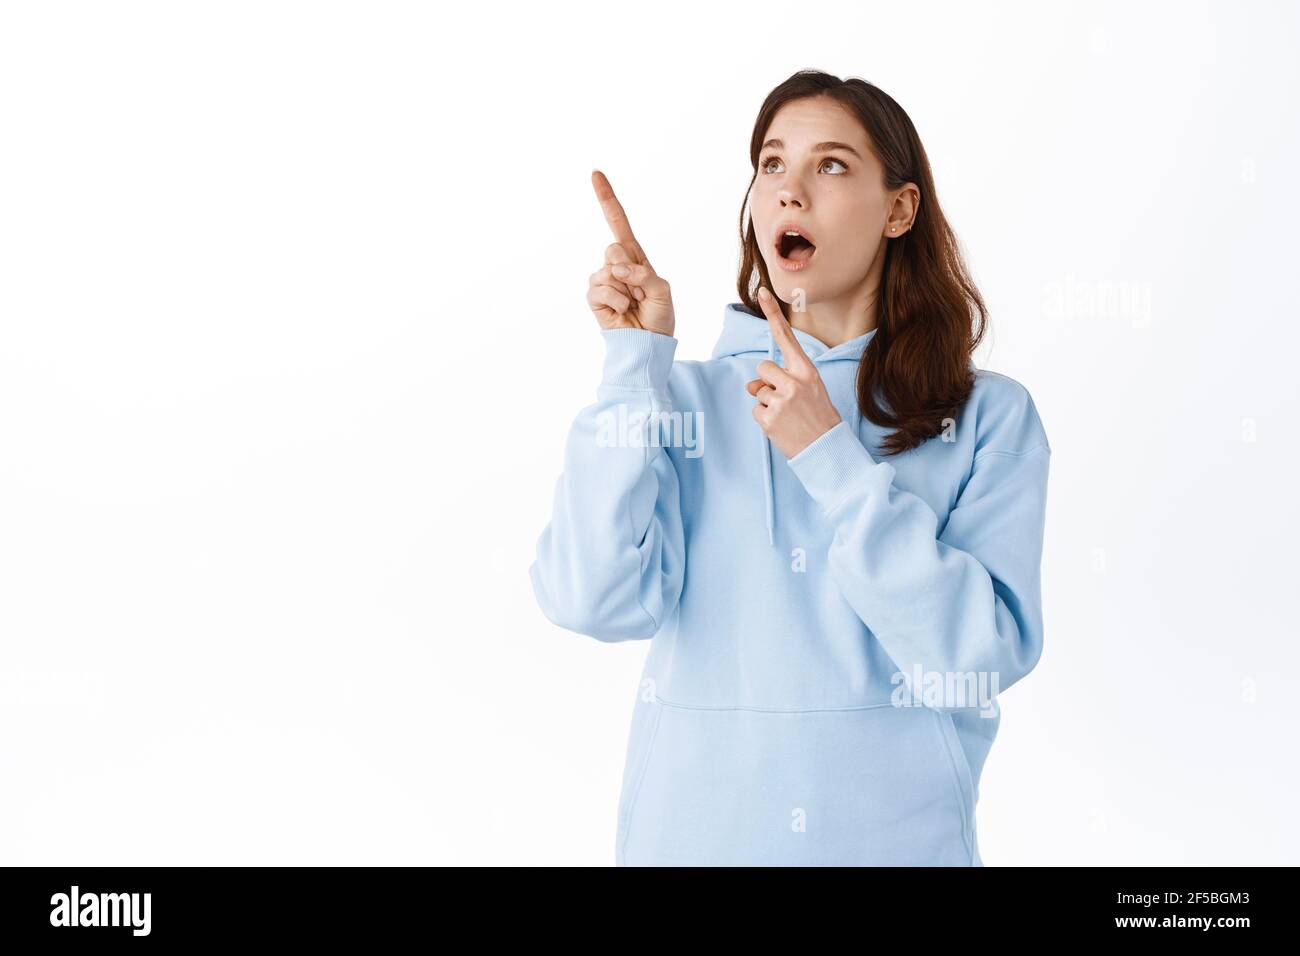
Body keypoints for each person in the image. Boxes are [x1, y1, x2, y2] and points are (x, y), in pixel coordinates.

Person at [528, 69, 1051, 866]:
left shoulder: (988, 416)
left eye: (831, 165)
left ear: (899, 209)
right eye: (771, 165)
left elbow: (974, 664)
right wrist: (633, 365)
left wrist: (828, 457)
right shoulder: (685, 400)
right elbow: (588, 598)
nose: (789, 192)